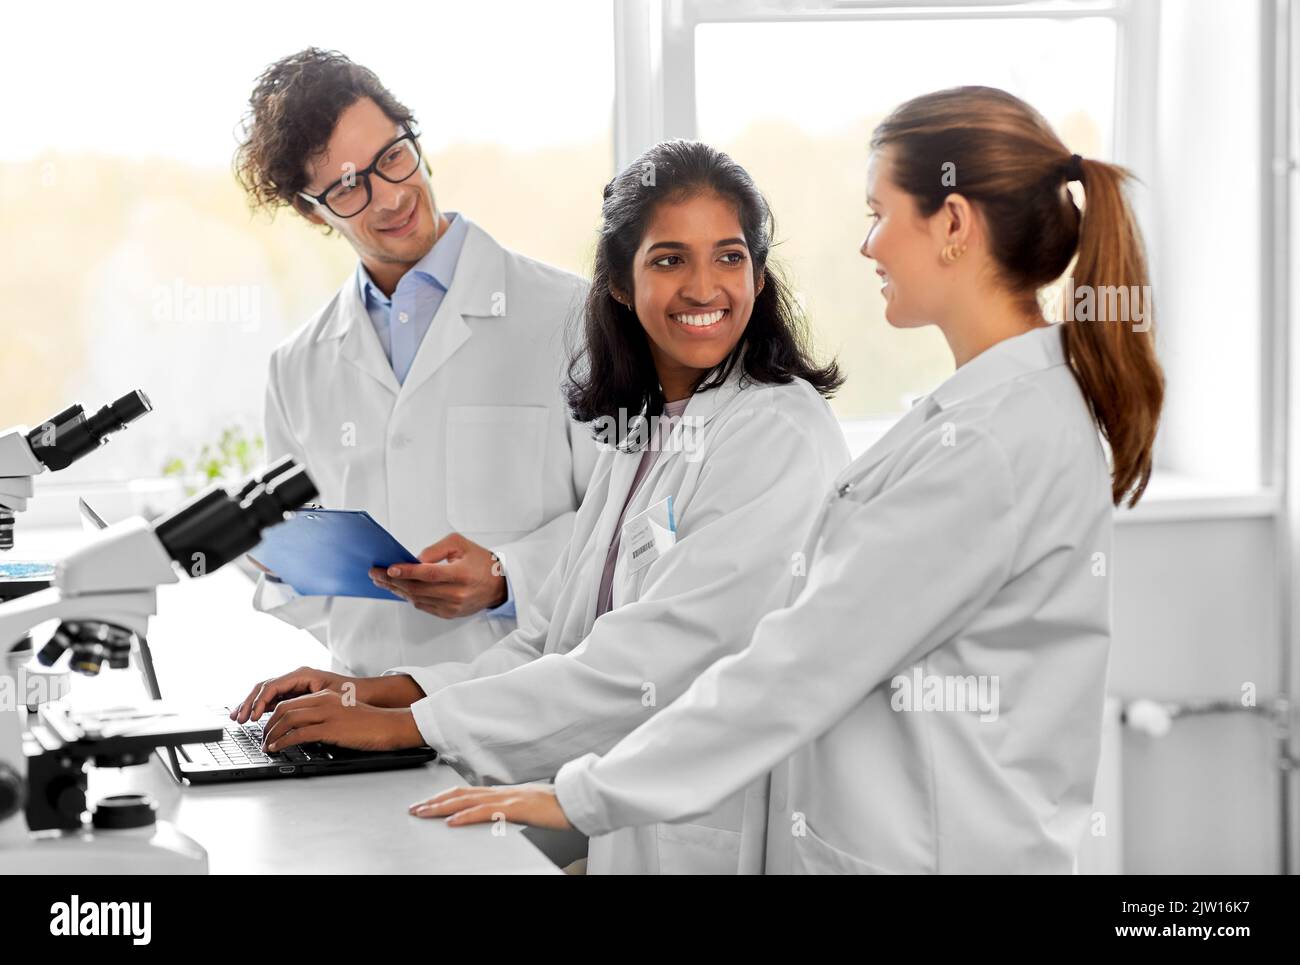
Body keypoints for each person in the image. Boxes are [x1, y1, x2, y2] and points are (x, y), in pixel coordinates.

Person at [413, 86, 1166, 874]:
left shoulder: (988, 443)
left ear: (951, 223)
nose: (869, 245)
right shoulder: (988, 415)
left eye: (879, 212)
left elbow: (801, 665)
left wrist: (582, 796)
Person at [233, 140, 850, 874]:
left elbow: (647, 663)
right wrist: (375, 692)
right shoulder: (647, 430)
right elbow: (557, 637)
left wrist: (407, 726)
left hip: (724, 826)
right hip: (633, 820)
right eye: (668, 259)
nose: (703, 287)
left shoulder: (775, 432)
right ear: (621, 283)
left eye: (729, 257)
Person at [233, 48, 595, 675]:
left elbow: (626, 524)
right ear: (309, 208)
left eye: (393, 158)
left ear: (415, 141)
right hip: (363, 721)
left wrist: (510, 576)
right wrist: (276, 560)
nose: (390, 198)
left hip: (521, 713)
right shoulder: (297, 367)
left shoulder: (571, 315)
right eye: (347, 186)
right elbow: (315, 589)